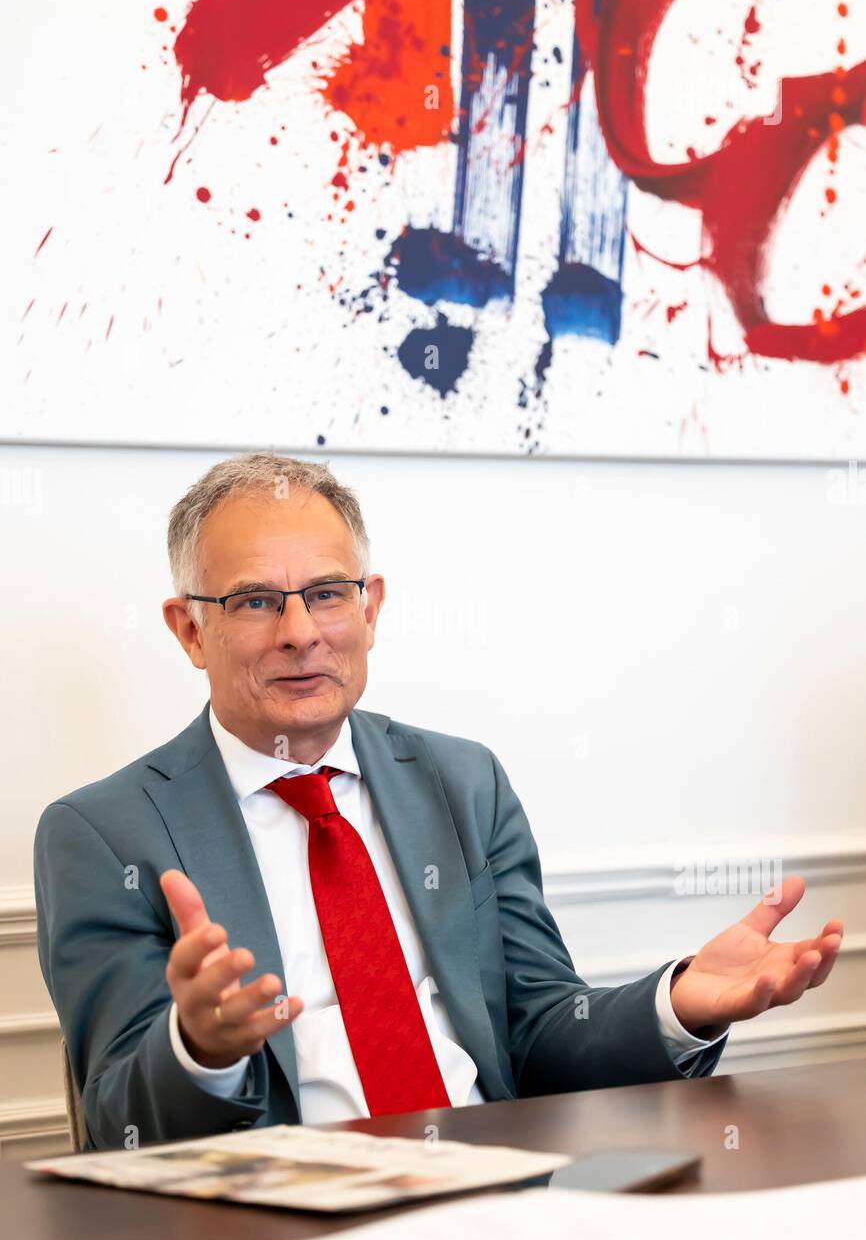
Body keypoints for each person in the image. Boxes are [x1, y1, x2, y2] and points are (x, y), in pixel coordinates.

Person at [33, 454, 844, 1150]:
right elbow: (118, 1129)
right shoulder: (103, 834)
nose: (300, 631)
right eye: (253, 601)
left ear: (370, 607)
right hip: (280, 1235)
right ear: (188, 631)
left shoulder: (463, 783)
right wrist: (200, 1049)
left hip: (501, 1200)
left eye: (326, 593)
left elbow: (538, 1035)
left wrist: (680, 1003)